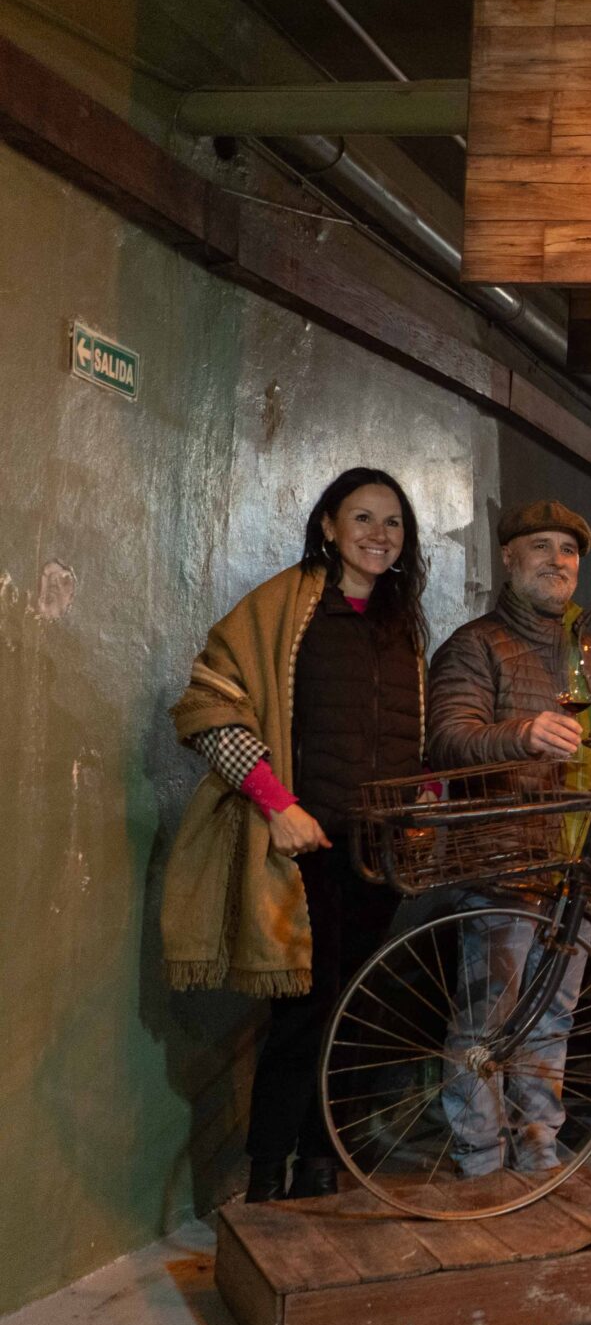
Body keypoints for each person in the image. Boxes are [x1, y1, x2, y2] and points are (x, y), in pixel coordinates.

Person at [163, 467, 430, 1201]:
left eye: (393, 523)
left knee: (354, 1008)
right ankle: (265, 1173)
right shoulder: (287, 605)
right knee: (303, 1012)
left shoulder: (400, 624)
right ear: (329, 526)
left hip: (380, 851)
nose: (379, 535)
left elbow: (412, 737)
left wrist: (421, 798)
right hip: (304, 846)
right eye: (363, 519)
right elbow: (207, 704)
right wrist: (277, 801)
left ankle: (323, 1163)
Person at [426, 501, 591, 1176]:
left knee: (554, 1016)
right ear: (508, 559)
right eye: (539, 547)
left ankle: (539, 1145)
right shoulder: (475, 644)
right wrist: (522, 733)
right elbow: (448, 738)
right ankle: (480, 1156)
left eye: (568, 550)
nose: (556, 560)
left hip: (579, 867)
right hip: (504, 862)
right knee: (486, 1021)